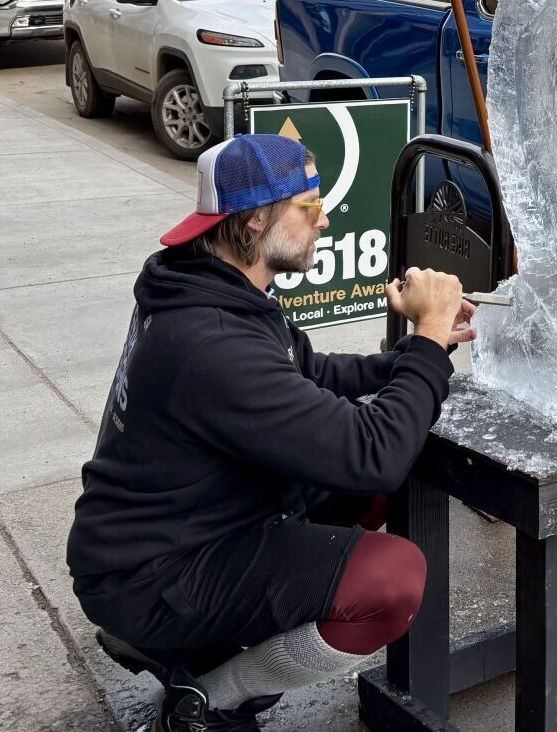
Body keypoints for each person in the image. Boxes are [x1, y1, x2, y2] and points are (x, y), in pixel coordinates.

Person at [65, 134, 475, 732]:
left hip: (197, 522)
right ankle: (211, 698)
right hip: (154, 574)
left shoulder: (213, 283)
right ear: (257, 219)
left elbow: (308, 371)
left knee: (384, 478)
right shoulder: (211, 342)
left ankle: (200, 649)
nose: (326, 220)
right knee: (391, 579)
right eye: (310, 206)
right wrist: (431, 342)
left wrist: (416, 353)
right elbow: (373, 454)